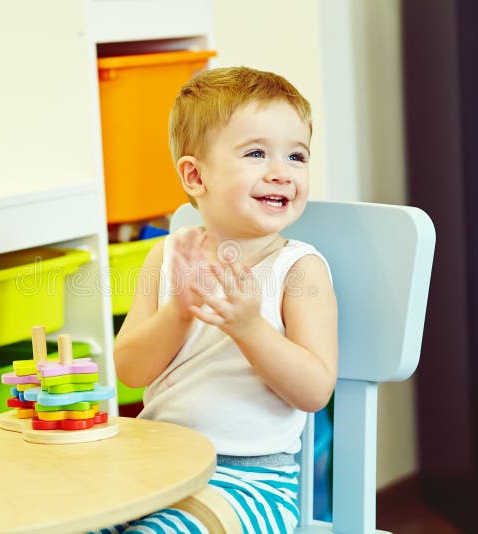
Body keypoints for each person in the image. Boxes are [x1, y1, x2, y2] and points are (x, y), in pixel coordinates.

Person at [106, 66, 338, 533]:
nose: (281, 173)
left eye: (297, 156)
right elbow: (130, 371)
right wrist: (179, 312)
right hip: (159, 464)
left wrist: (250, 328)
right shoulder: (168, 256)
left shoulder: (298, 270)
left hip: (254, 482)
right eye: (256, 153)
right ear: (195, 175)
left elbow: (315, 391)